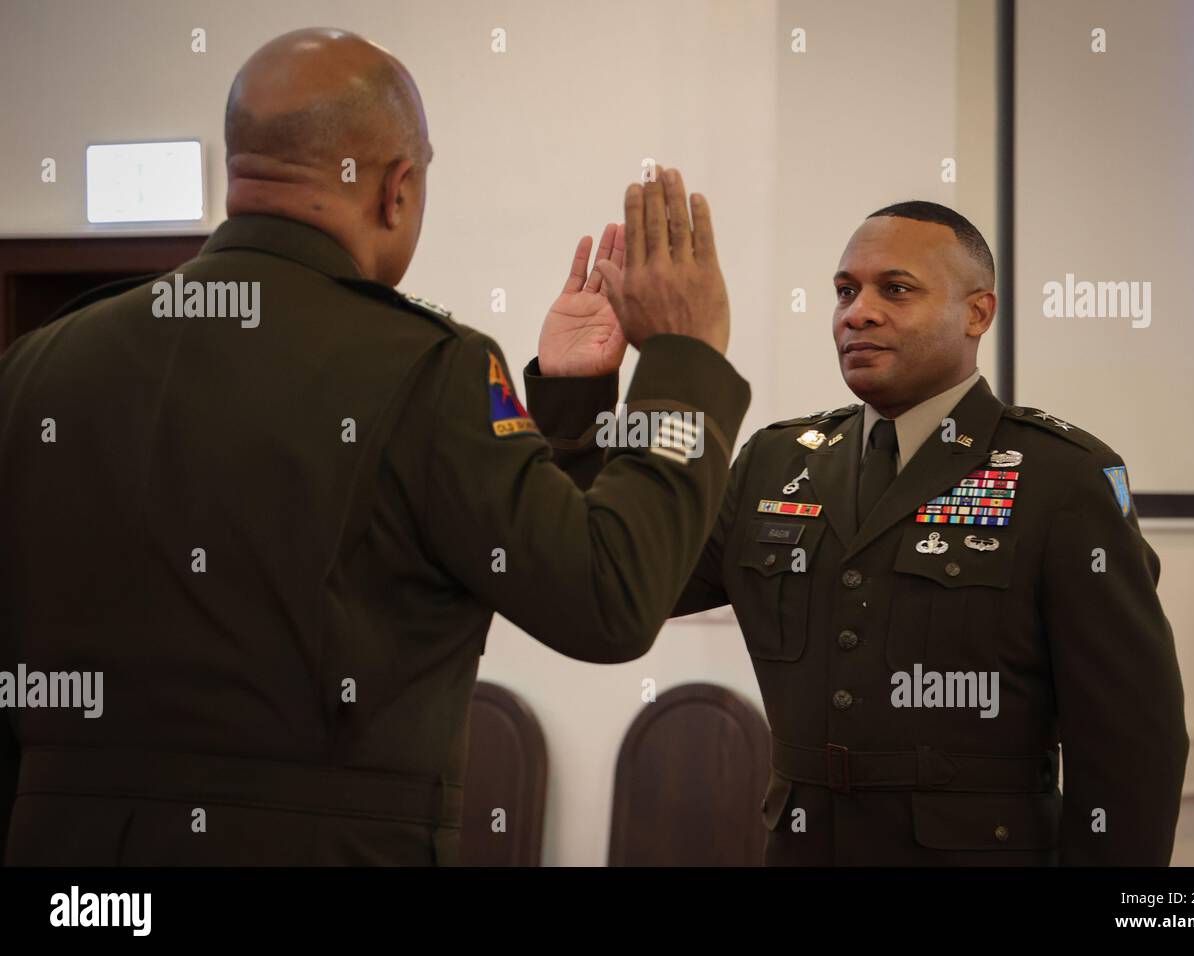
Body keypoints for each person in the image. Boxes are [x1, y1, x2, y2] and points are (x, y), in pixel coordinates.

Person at [0, 28, 748, 866]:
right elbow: (607, 594)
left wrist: (571, 398)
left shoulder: (40, 363)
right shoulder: (427, 368)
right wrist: (683, 366)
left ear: (237, 168)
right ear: (397, 190)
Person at [529, 200, 1189, 865]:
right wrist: (577, 396)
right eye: (846, 291)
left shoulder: (1061, 479)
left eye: (895, 289)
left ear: (977, 313)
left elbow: (1132, 743)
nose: (858, 312)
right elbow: (615, 573)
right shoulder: (777, 461)